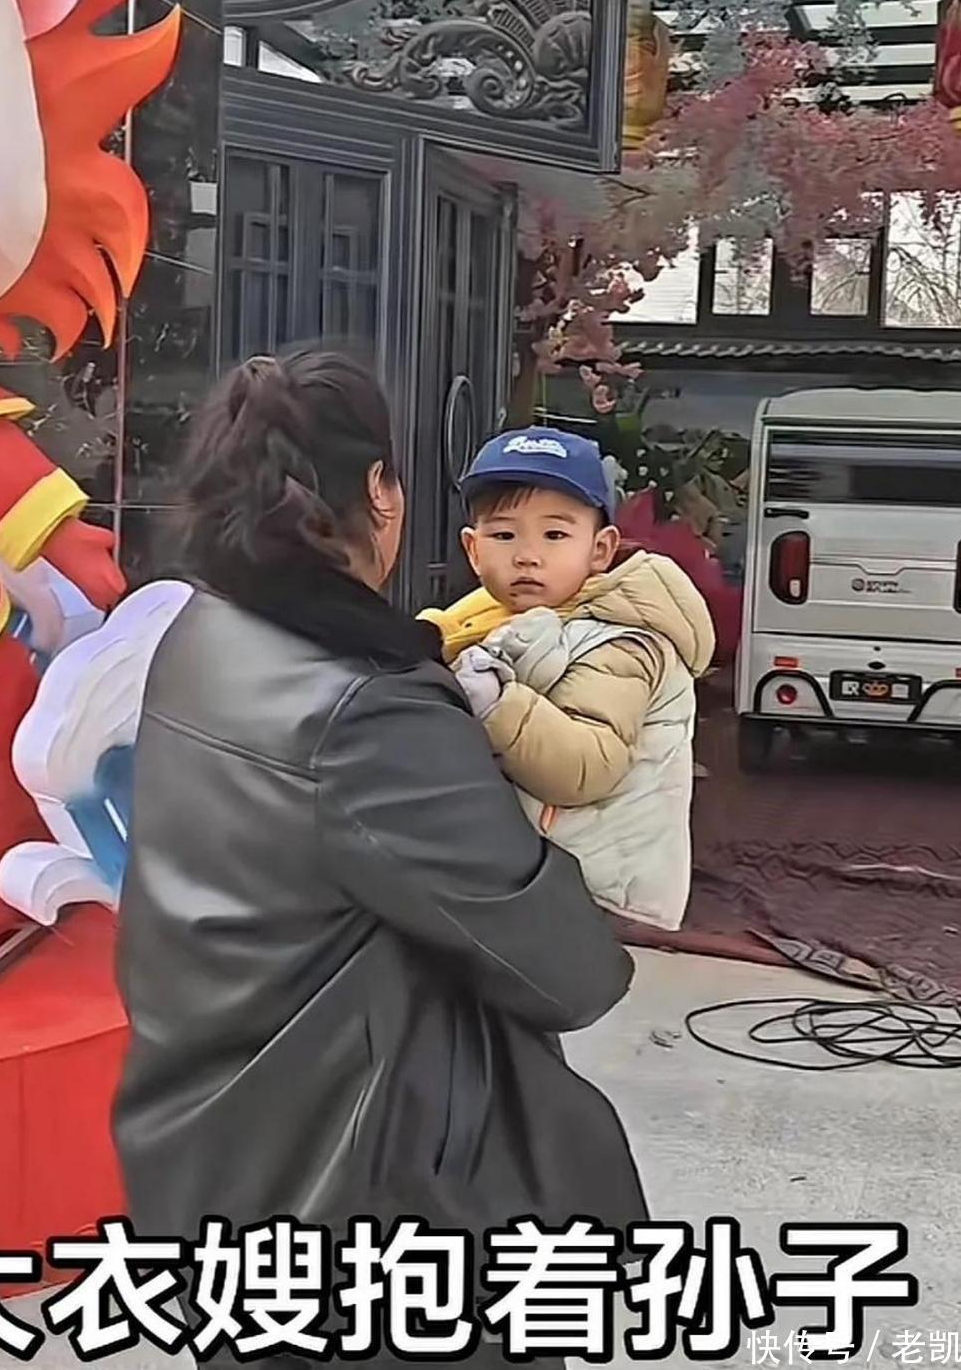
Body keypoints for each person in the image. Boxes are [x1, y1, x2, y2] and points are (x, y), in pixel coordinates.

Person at [112, 350, 647, 1369]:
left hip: (212, 1144)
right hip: (360, 1204)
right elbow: (570, 970)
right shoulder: (372, 710)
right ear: (378, 492)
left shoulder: (201, 633)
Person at [420, 426, 715, 934]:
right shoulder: (483, 621)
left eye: (555, 535)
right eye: (504, 535)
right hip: (534, 878)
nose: (527, 555)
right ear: (473, 549)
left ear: (600, 550)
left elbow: (587, 767)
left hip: (598, 897)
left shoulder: (622, 642)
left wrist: (496, 704)